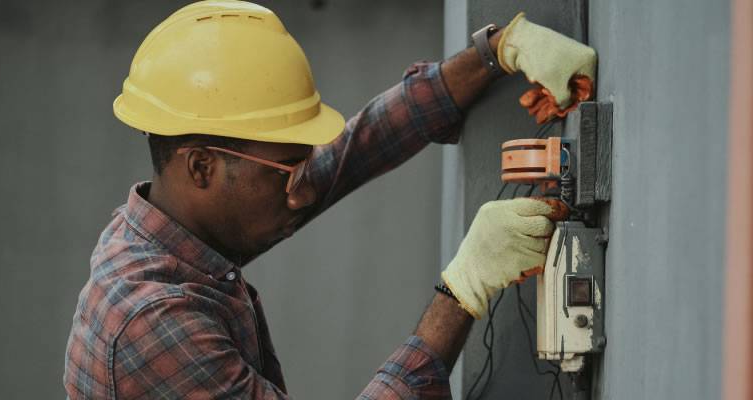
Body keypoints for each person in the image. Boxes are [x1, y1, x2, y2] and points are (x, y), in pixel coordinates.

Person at [63, 1, 596, 398]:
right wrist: (462, 290)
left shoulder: (166, 230)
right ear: (202, 166)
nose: (301, 192)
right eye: (286, 172)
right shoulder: (153, 323)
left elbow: (354, 150)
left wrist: (497, 51)